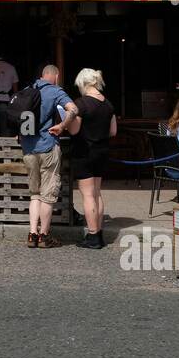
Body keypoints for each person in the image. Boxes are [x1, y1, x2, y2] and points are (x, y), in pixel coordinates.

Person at [21, 64, 77, 249]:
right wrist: (62, 126)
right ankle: (44, 236)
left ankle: (32, 234)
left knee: (35, 194)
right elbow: (73, 109)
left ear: (41, 75)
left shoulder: (27, 90)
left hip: (28, 150)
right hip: (48, 147)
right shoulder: (55, 91)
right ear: (56, 75)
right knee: (48, 194)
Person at [70, 68, 117, 250]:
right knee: (97, 193)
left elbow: (74, 130)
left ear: (82, 83)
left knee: (87, 195)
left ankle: (92, 235)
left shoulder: (81, 104)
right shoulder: (108, 104)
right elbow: (113, 131)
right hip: (102, 151)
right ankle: (99, 233)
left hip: (84, 152)